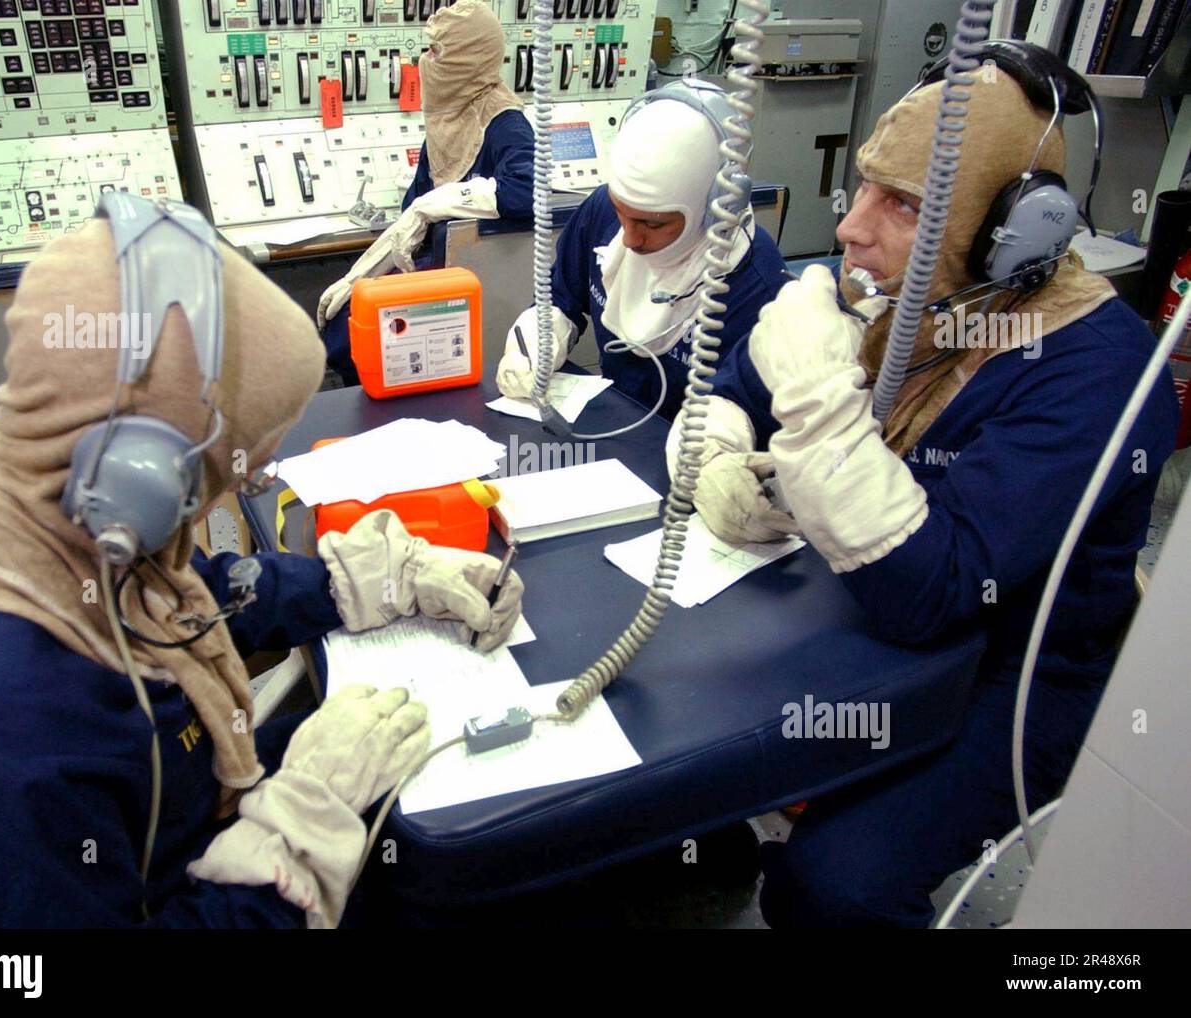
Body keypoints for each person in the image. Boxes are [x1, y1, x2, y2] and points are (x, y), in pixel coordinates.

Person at [0, 212, 523, 928]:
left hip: (177, 809)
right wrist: (294, 836)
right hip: (166, 884)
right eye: (234, 469)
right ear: (146, 477)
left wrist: (379, 575)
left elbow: (182, 599)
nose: (240, 492)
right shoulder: (5, 771)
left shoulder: (22, 497)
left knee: (399, 750)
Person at [677, 58, 1178, 925]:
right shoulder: (925, 294)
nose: (850, 228)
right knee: (683, 705)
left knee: (834, 886)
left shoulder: (1096, 372)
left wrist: (821, 417)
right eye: (865, 187)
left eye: (903, 203)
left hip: (1012, 673)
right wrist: (721, 452)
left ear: (1015, 230)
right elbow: (737, 389)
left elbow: (939, 591)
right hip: (875, 614)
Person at [494, 79, 787, 421]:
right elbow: (560, 298)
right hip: (613, 419)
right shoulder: (602, 210)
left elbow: (748, 420)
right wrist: (539, 341)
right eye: (622, 214)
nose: (630, 239)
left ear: (714, 207)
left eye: (653, 224)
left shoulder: (755, 287)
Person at [317, 0, 535, 384]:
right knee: (341, 321)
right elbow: (411, 214)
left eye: (437, 51)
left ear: (467, 59)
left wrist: (442, 200)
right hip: (436, 268)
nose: (425, 60)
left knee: (348, 338)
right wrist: (360, 276)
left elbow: (528, 190)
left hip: (462, 282)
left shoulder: (505, 123)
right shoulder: (452, 117)